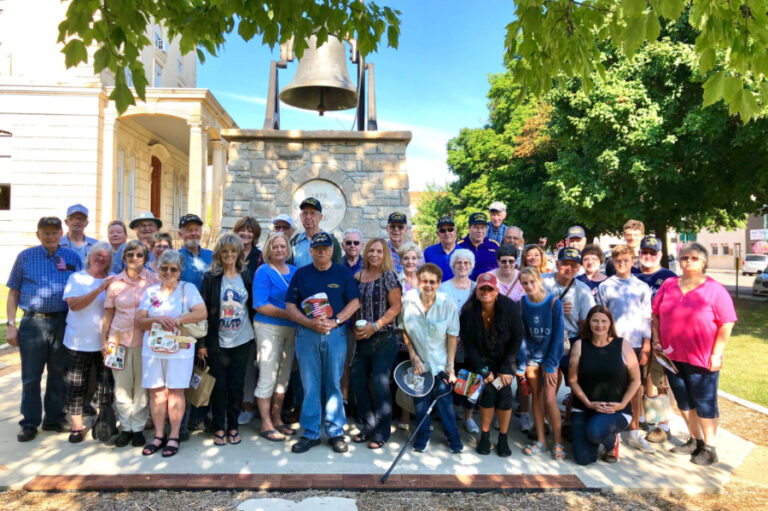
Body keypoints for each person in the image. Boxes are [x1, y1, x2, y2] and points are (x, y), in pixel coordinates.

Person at [652, 243, 737, 466]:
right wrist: (657, 339)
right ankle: (695, 440)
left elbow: (727, 323)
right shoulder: (669, 285)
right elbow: (655, 315)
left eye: (694, 258)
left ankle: (710, 447)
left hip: (701, 358)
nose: (688, 261)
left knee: (704, 402)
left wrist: (717, 354)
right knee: (683, 400)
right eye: (684, 257)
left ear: (703, 262)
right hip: (672, 357)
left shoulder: (715, 290)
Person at [7, 217, 82, 442]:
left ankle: (54, 419)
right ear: (38, 234)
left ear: (61, 233)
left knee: (59, 373)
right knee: (31, 376)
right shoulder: (25, 257)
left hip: (63, 322)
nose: (50, 236)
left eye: (54, 232)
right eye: (45, 232)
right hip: (33, 323)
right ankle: (29, 422)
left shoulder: (72, 257)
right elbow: (13, 292)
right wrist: (11, 325)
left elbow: (82, 288)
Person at [284, 232, 360, 454]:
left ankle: (335, 432)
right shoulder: (301, 274)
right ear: (311, 251)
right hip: (307, 335)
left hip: (335, 334)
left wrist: (336, 321)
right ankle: (310, 433)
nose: (321, 252)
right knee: (310, 384)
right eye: (317, 249)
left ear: (332, 250)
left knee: (333, 383)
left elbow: (354, 302)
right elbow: (290, 306)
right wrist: (309, 322)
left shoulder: (342, 273)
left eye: (325, 248)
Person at [136, 250, 208, 457]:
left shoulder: (188, 289)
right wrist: (157, 319)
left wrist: (177, 320)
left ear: (180, 271)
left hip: (180, 349)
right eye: (164, 268)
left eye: (173, 269)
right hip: (153, 348)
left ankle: (174, 435)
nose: (168, 272)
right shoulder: (151, 292)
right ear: (158, 269)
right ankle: (159, 435)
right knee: (156, 392)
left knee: (176, 391)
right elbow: (139, 321)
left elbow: (201, 312)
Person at [199, 233, 255, 446]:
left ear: (239, 253)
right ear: (219, 254)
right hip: (218, 341)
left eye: (233, 251)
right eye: (225, 251)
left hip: (242, 339)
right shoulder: (211, 277)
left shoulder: (246, 275)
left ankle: (233, 426)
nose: (229, 255)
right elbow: (203, 311)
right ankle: (219, 427)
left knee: (237, 386)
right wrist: (202, 343)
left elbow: (252, 307)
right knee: (219, 386)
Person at [400, 263, 463, 454]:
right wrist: (413, 357)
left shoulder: (448, 304)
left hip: (441, 364)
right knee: (420, 405)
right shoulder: (408, 300)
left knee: (445, 404)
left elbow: (452, 336)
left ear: (439, 283)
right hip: (419, 364)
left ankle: (453, 438)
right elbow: (404, 330)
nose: (428, 285)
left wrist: (450, 366)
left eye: (432, 282)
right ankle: (422, 436)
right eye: (424, 281)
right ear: (418, 281)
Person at [596, 244, 653, 453]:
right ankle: (614, 431)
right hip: (613, 344)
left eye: (626, 260)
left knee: (635, 388)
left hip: (635, 344)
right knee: (612, 387)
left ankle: (634, 430)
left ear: (632, 261)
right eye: (618, 261)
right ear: (612, 262)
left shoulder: (641, 287)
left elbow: (646, 317)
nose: (622, 264)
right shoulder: (606, 286)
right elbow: (601, 316)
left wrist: (646, 344)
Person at [102, 239, 159, 448]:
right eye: (130, 255)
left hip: (146, 342)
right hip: (119, 342)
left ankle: (138, 428)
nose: (135, 258)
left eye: (139, 255)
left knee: (142, 388)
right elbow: (108, 314)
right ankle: (126, 428)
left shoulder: (154, 281)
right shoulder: (115, 283)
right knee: (122, 387)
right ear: (124, 258)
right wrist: (104, 341)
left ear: (146, 258)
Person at [569, 305, 641, 465]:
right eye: (595, 321)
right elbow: (572, 380)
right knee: (584, 459)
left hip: (614, 409)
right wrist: (588, 403)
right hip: (584, 406)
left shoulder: (622, 345)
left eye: (604, 321)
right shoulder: (579, 345)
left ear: (610, 323)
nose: (599, 325)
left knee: (594, 431)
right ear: (588, 323)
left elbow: (636, 380)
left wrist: (622, 404)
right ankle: (587, 432)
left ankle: (611, 442)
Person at [461, 272, 523, 457]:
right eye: (482, 289)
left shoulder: (509, 307)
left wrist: (506, 368)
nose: (486, 292)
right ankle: (485, 436)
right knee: (488, 392)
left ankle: (503, 438)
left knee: (504, 394)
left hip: (505, 360)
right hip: (480, 361)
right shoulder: (468, 310)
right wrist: (483, 370)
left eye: (490, 289)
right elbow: (468, 344)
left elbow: (517, 338)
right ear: (477, 291)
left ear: (497, 291)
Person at [350, 237, 402, 449]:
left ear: (385, 255)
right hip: (363, 338)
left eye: (379, 251)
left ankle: (382, 431)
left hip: (385, 336)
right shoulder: (357, 277)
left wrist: (376, 325)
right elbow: (353, 306)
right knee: (357, 380)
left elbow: (396, 307)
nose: (374, 254)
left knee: (380, 383)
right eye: (371, 250)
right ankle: (368, 424)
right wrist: (356, 329)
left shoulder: (388, 276)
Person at [62, 242, 114, 443]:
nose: (101, 258)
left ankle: (102, 422)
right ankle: (77, 427)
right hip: (78, 341)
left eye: (106, 256)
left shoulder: (113, 278)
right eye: (97, 254)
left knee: (104, 385)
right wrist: (99, 288)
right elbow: (74, 305)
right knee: (76, 385)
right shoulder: (77, 278)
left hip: (105, 343)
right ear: (90, 256)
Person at [251, 232, 298, 441]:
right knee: (267, 375)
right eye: (275, 246)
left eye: (283, 246)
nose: (279, 249)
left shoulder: (295, 271)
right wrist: (290, 314)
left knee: (283, 377)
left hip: (291, 329)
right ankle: (266, 423)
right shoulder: (263, 271)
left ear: (288, 249)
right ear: (269, 249)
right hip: (268, 328)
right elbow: (260, 304)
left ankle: (277, 419)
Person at [517, 267, 566, 459]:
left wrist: (551, 364)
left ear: (539, 280)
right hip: (532, 358)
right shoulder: (522, 304)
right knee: (535, 398)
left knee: (550, 399)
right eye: (525, 283)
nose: (529, 286)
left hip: (549, 358)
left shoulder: (554, 303)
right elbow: (522, 336)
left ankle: (558, 441)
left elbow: (558, 336)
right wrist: (522, 363)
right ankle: (541, 440)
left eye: (532, 281)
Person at [636, 235, 677, 443]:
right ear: (639, 253)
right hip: (637, 334)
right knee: (642, 377)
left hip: (660, 336)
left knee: (660, 379)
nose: (648, 256)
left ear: (660, 255)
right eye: (645, 252)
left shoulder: (669, 278)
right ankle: (645, 416)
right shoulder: (633, 275)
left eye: (653, 253)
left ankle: (663, 424)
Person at [439, 249, 478, 433]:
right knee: (451, 376)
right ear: (453, 265)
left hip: (472, 342)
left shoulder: (476, 288)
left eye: (466, 263)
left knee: (471, 378)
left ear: (471, 266)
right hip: (449, 340)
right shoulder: (444, 287)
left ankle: (469, 416)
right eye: (458, 263)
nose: (462, 266)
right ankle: (452, 415)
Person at [290, 198, 342, 268]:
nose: (308, 217)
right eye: (305, 213)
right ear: (301, 216)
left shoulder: (331, 241)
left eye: (312, 213)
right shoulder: (295, 242)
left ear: (320, 217)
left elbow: (338, 269)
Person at [458, 212, 500, 280]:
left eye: (482, 227)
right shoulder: (458, 246)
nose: (479, 231)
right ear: (469, 228)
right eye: (476, 227)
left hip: (490, 284)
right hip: (465, 285)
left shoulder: (495, 245)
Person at [177, 214, 213, 291]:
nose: (193, 233)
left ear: (201, 232)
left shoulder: (212, 256)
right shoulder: (175, 258)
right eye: (189, 230)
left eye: (196, 230)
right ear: (180, 234)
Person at [424, 216, 459, 281]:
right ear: (437, 233)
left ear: (455, 231)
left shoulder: (463, 252)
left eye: (450, 229)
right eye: (442, 230)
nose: (447, 233)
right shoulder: (428, 252)